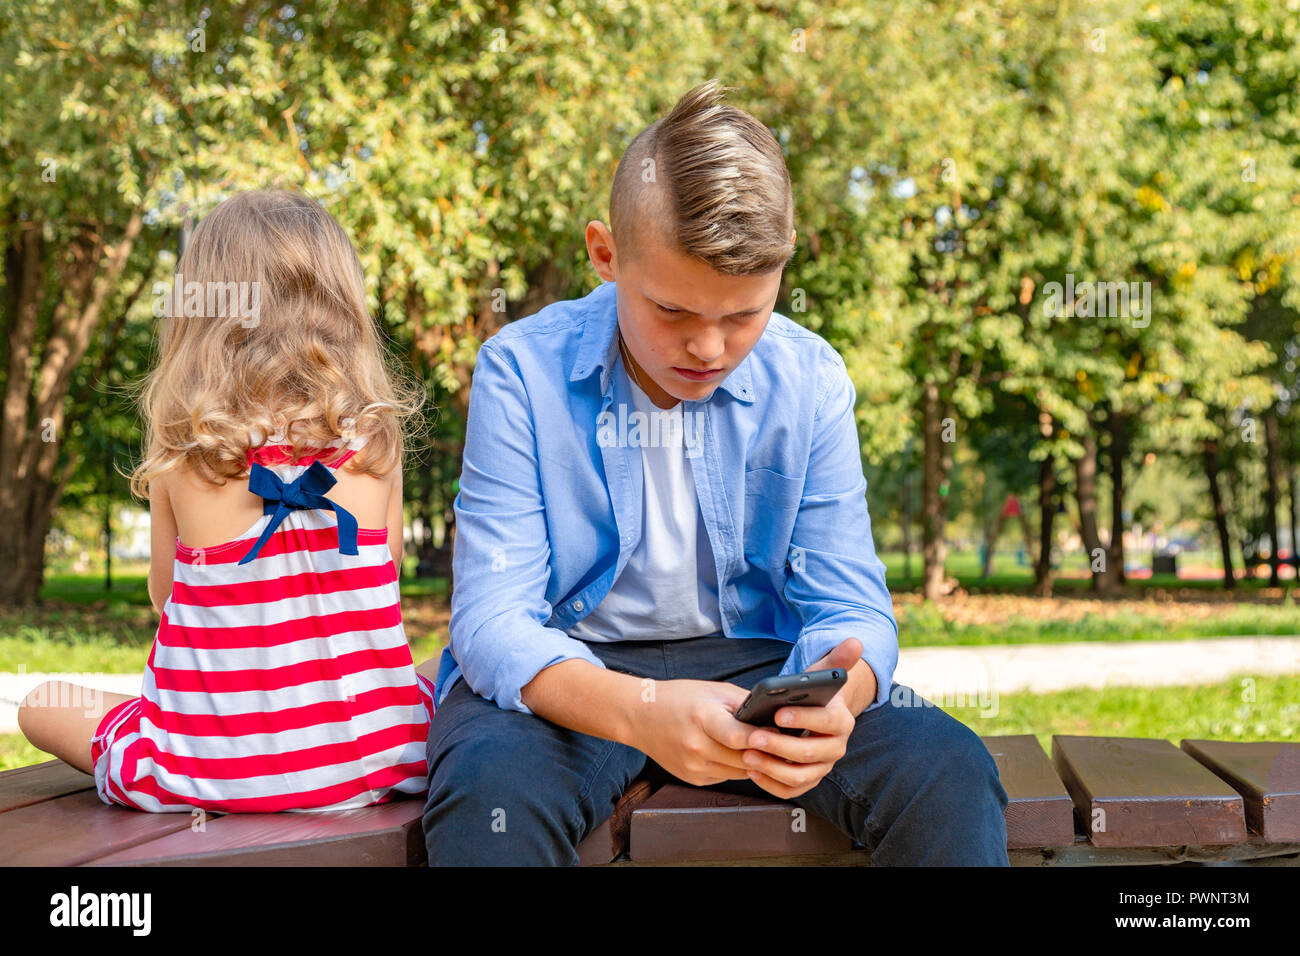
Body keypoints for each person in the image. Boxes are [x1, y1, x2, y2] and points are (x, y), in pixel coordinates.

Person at [423, 81, 1009, 864]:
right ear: (605, 255)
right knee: (487, 791)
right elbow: (492, 621)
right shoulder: (520, 372)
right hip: (573, 667)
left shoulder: (810, 379)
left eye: (742, 316)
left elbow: (851, 604)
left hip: (761, 667)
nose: (708, 348)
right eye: (671, 311)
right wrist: (641, 710)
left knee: (950, 771)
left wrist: (846, 695)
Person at [17, 190, 437, 813]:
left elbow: (167, 597)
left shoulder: (183, 448)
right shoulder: (376, 437)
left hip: (205, 765)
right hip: (365, 759)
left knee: (40, 705)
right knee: (445, 665)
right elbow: (383, 581)